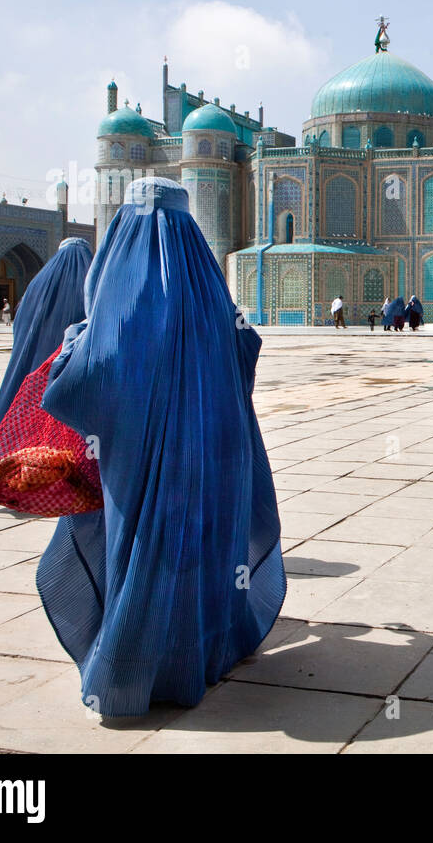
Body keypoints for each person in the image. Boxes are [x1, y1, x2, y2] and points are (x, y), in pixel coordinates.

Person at [36, 177, 285, 717]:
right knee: (206, 546)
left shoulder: (120, 298)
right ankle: (201, 651)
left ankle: (132, 668)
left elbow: (85, 382)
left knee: (145, 552)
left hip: (139, 459)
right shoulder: (210, 289)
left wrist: (72, 347)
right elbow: (246, 348)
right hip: (218, 451)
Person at [0, 237, 93, 462]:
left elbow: (21, 328)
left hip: (33, 368)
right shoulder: (93, 286)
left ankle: (21, 462)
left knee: (28, 419)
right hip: (72, 379)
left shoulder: (37, 286)